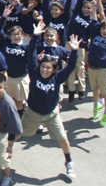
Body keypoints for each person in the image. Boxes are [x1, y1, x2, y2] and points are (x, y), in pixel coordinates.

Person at [14, 22, 81, 177]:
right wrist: (36, 37)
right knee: (19, 134)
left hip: (51, 114)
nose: (45, 70)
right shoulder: (34, 72)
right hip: (32, 114)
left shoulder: (57, 78)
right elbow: (31, 55)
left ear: (53, 69)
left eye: (48, 68)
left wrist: (75, 51)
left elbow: (70, 67)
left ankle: (69, 161)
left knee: (63, 139)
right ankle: (5, 147)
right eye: (43, 67)